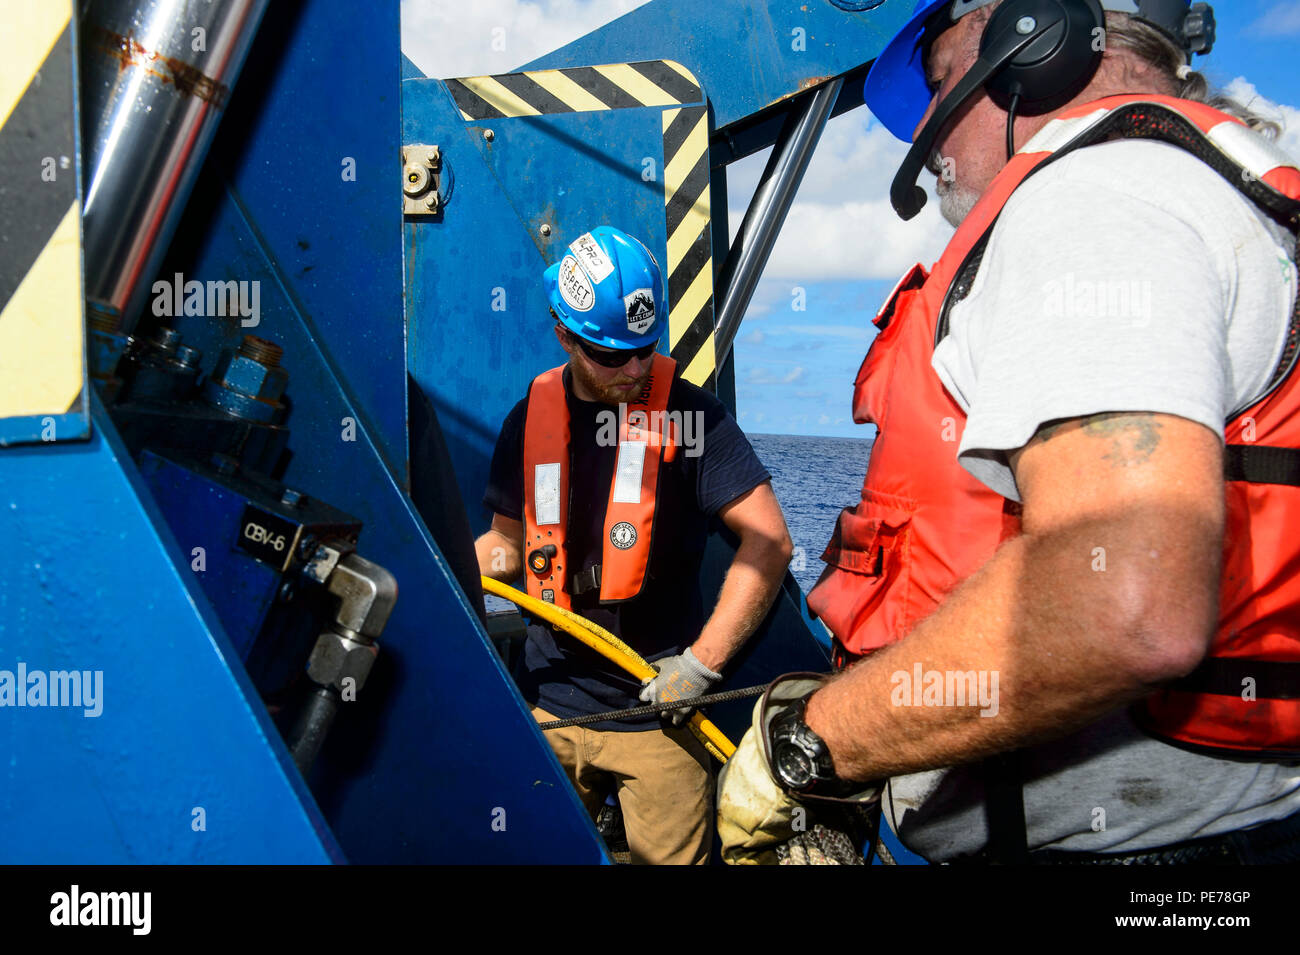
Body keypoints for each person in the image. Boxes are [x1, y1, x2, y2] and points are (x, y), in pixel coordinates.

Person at [718, 0, 1300, 865]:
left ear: (1031, 33)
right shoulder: (1193, 182)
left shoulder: (1099, 200)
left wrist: (813, 742)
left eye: (944, 80)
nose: (928, 131)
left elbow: (1124, 609)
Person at [477, 225, 793, 865]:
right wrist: (466, 580)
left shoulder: (694, 420)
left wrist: (701, 665)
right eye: (610, 355)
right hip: (550, 709)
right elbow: (505, 543)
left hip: (661, 718)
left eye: (645, 351)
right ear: (564, 335)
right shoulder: (526, 420)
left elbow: (771, 544)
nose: (634, 370)